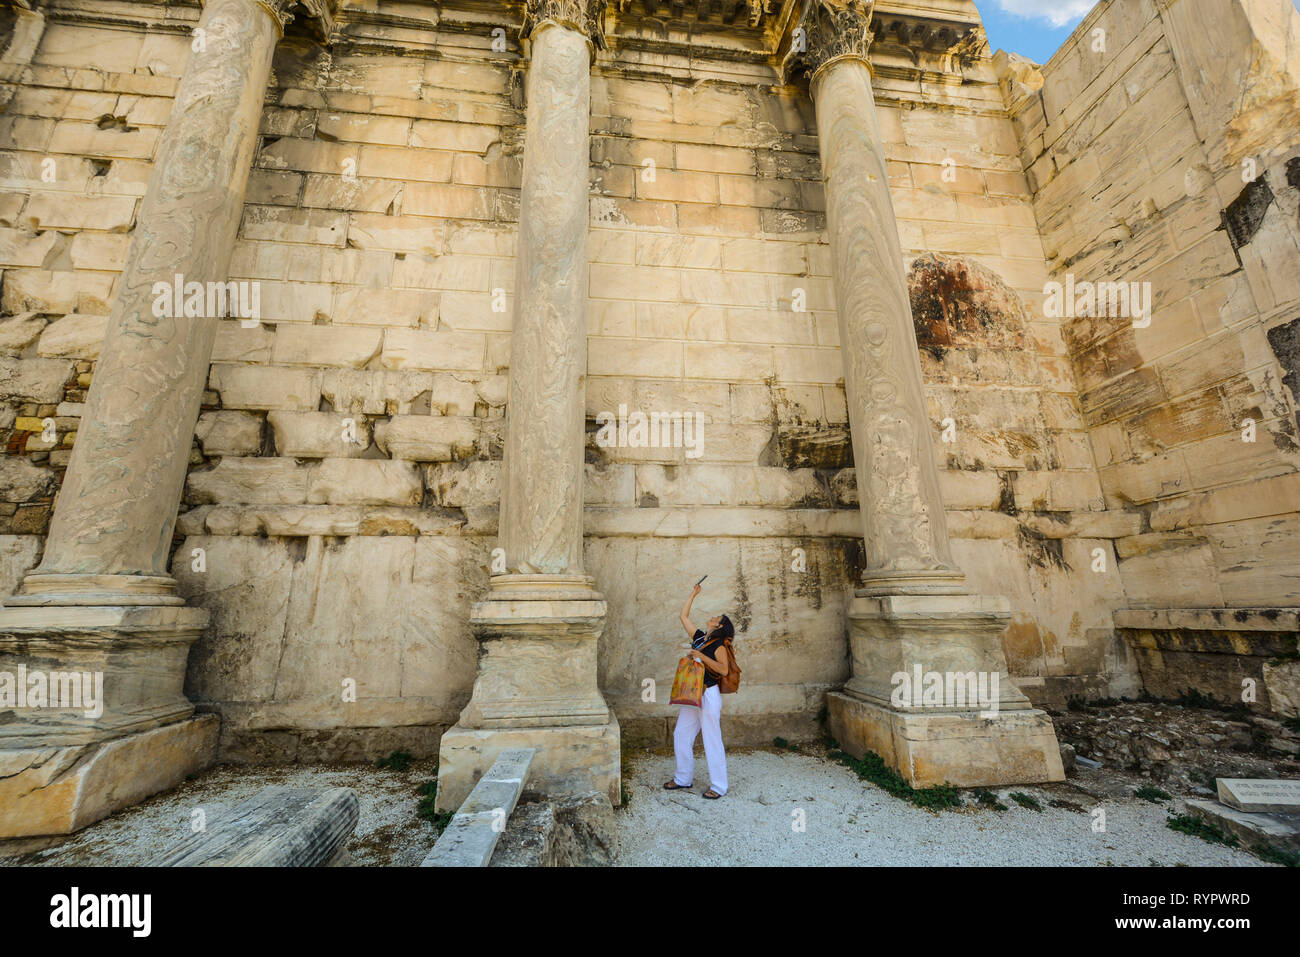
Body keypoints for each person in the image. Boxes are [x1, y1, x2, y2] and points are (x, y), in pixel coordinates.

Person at [664, 581, 732, 799]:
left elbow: (723, 669)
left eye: (716, 619)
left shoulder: (719, 645)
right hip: (693, 694)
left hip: (709, 694)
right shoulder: (701, 637)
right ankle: (683, 778)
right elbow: (684, 617)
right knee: (681, 734)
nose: (712, 618)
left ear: (720, 626)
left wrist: (701, 657)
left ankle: (719, 786)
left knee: (712, 738)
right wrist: (693, 594)